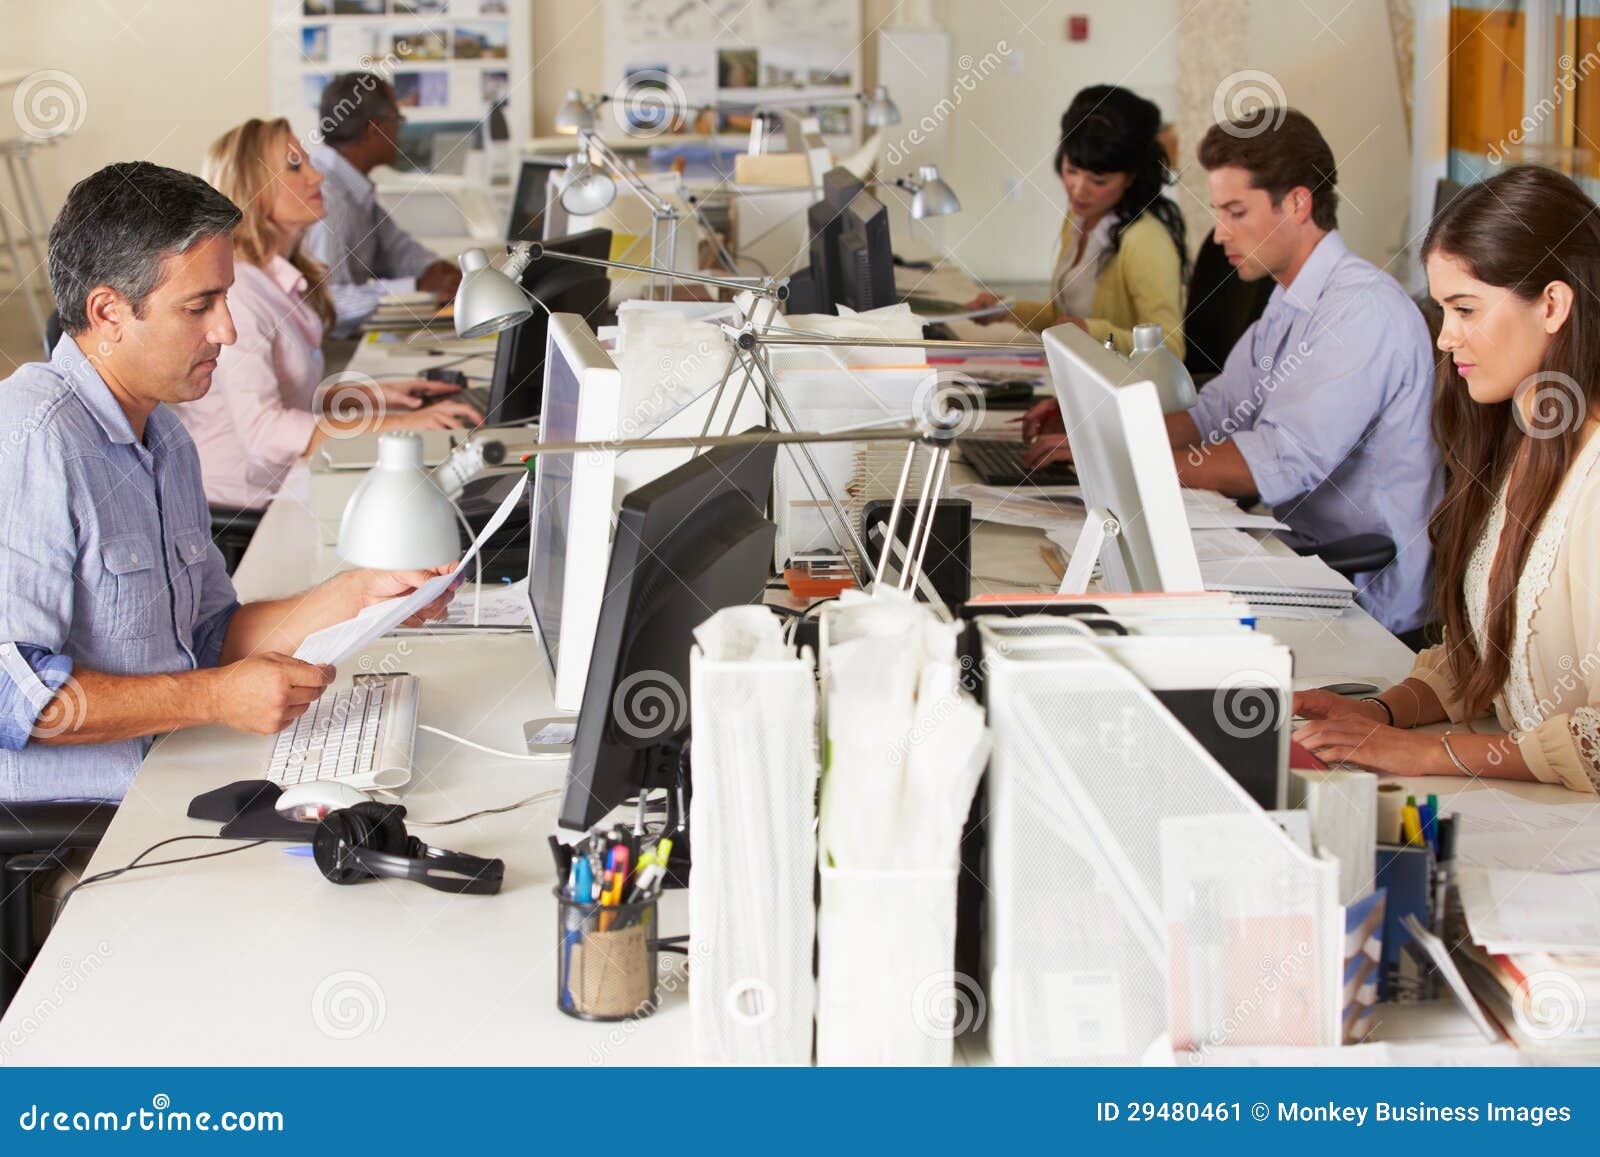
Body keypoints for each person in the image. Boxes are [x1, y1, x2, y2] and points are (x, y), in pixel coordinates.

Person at [0, 160, 458, 813]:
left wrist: (360, 593)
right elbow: (11, 692)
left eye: (226, 299)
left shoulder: (166, 436)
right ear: (108, 312)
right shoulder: (32, 438)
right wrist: (214, 696)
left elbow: (212, 635)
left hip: (178, 762)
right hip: (93, 819)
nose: (227, 330)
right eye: (200, 306)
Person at [1025, 108, 1439, 639]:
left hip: (1362, 596)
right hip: (1299, 559)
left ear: (1296, 203)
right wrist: (1097, 433)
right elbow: (1212, 413)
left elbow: (1280, 462)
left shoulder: (1360, 310)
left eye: (1236, 212)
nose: (1220, 235)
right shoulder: (1293, 299)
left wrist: (1129, 461)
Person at [1297, 165, 1600, 793]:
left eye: (1465, 309)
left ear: (1552, 304)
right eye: (1442, 310)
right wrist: (1382, 712)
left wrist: (1425, 754)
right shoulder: (1525, 439)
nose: (1444, 337)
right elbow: (1495, 657)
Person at [179, 117, 480, 512]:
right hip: (248, 503)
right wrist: (398, 424)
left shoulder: (278, 278)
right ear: (254, 190)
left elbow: (287, 394)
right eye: (295, 167)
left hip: (288, 477)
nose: (316, 176)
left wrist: (375, 397)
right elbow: (266, 431)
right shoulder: (240, 293)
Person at [966, 84, 1187, 356]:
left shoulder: (1145, 241)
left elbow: (1172, 350)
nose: (1079, 190)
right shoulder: (1080, 218)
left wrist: (1093, 333)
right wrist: (1006, 310)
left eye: (1099, 181)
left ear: (1130, 177)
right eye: (1071, 170)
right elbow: (1065, 317)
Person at [304, 72, 463, 335]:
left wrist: (434, 269)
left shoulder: (355, 188)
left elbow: (395, 248)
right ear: (374, 129)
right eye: (397, 120)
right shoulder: (328, 198)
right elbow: (328, 300)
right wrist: (416, 287)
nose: (400, 131)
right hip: (328, 350)